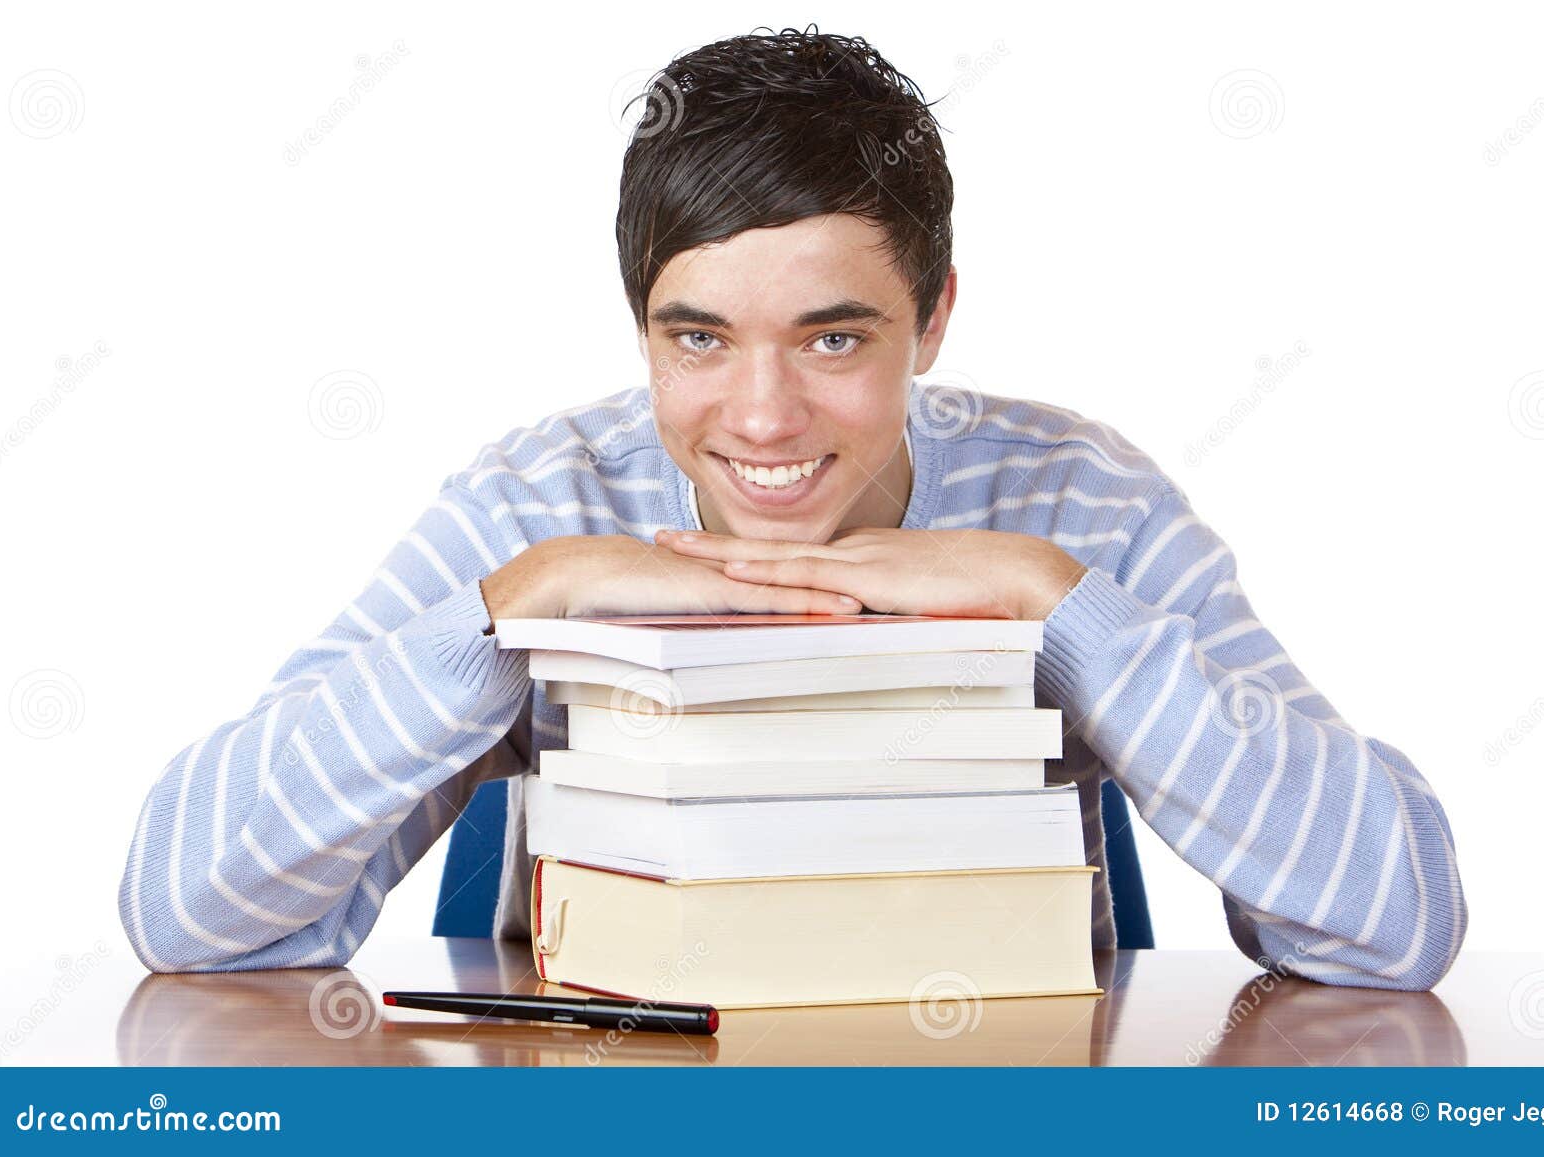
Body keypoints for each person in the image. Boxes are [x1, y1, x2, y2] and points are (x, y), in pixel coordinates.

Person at [117, 26, 1465, 990]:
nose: (761, 419)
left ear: (932, 318)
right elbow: (185, 908)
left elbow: (1395, 921)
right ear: (640, 328)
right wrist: (509, 613)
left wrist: (1067, 609)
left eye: (833, 340)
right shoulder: (545, 503)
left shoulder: (1079, 498)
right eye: (697, 340)